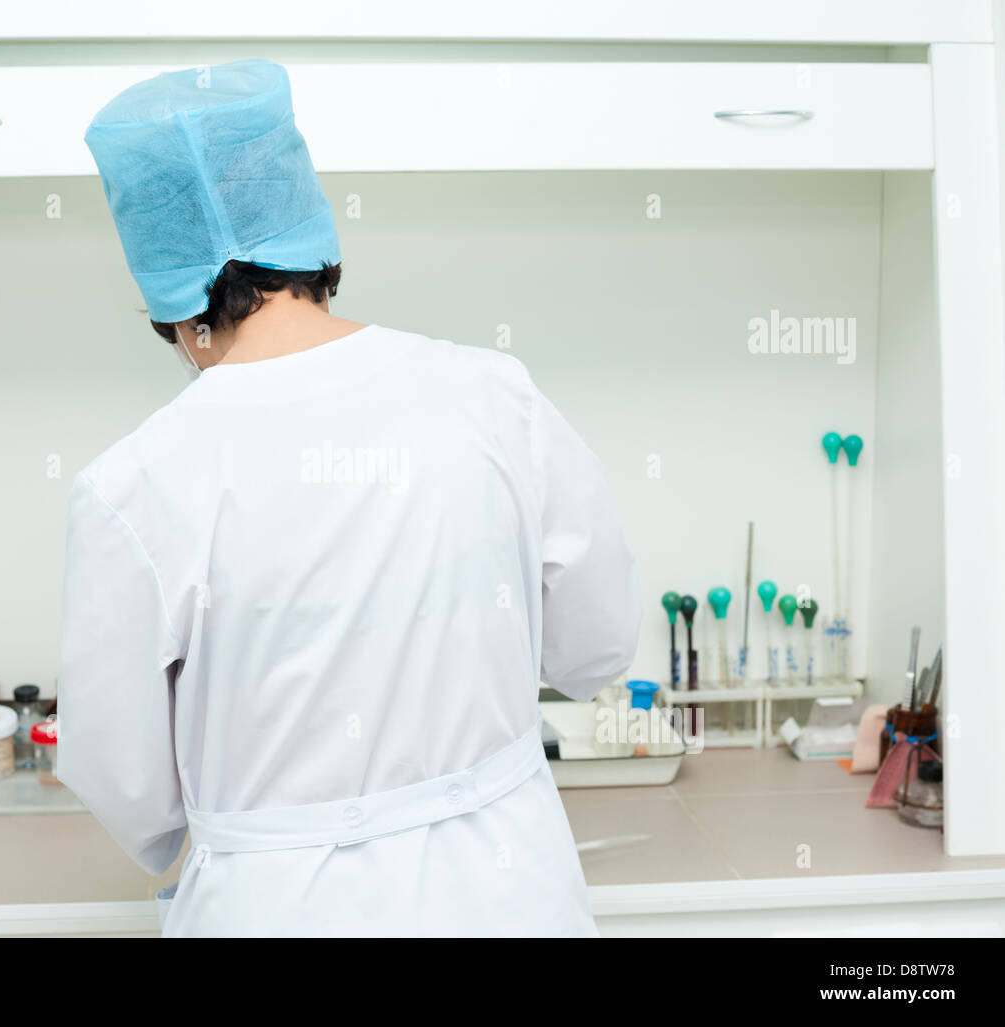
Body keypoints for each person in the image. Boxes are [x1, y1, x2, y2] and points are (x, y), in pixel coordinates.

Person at [58, 59, 642, 937]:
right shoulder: (493, 393)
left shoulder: (133, 485)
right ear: (309, 233)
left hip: (275, 907)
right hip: (508, 893)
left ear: (171, 303)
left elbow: (131, 793)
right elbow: (596, 653)